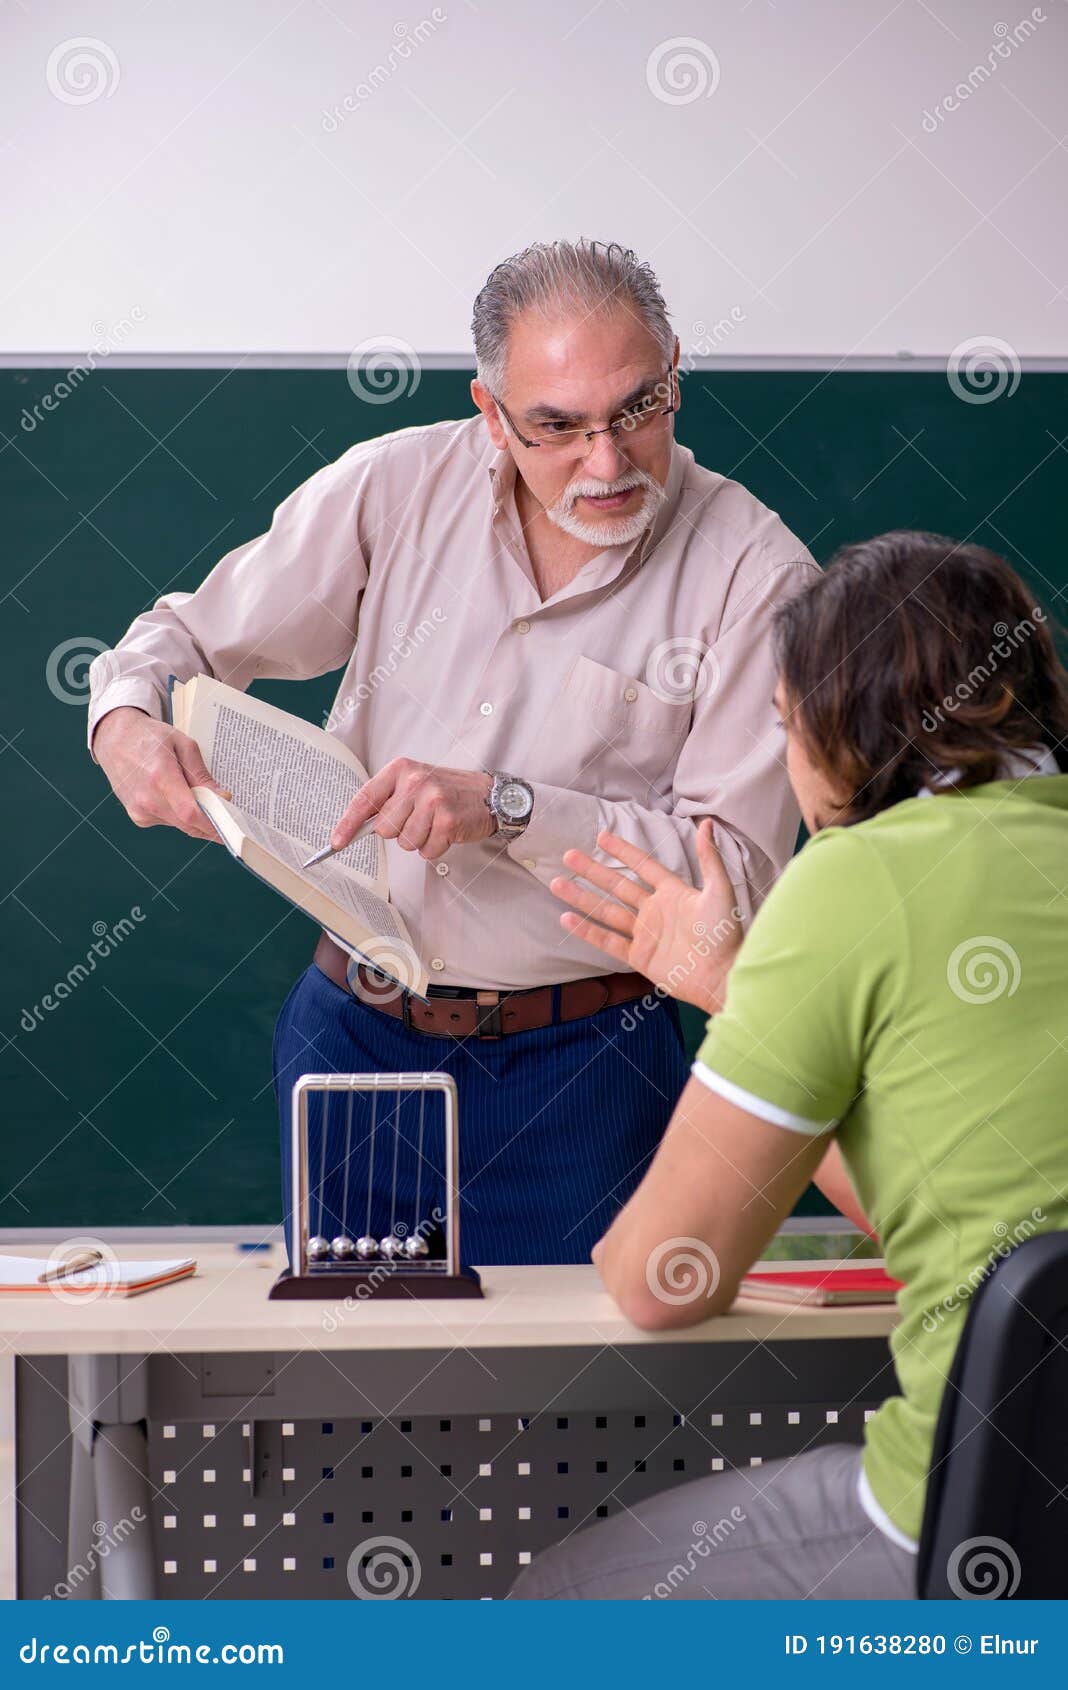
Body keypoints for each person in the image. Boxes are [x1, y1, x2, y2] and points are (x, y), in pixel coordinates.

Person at [86, 238, 816, 1266]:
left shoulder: (757, 572)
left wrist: (511, 809)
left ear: (675, 376)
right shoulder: (394, 487)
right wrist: (122, 718)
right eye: (557, 427)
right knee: (339, 1406)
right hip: (353, 1042)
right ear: (491, 409)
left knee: (593, 1411)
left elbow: (730, 885)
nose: (606, 463)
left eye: (636, 411)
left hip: (588, 1070)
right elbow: (182, 639)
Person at [511, 530, 1068, 1597]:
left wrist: (733, 984)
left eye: (783, 730)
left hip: (978, 1519)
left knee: (552, 1600)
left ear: (838, 726)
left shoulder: (856, 881)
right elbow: (976, 1217)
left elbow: (662, 1278)